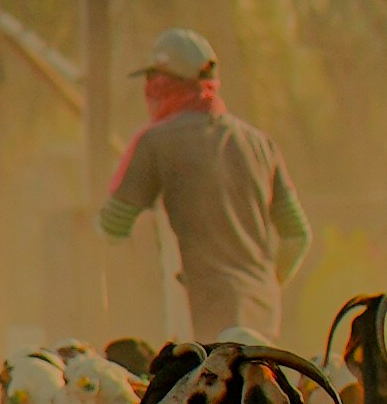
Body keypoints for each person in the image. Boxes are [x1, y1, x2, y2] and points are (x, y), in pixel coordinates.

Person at [97, 27, 310, 343]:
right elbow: (297, 236)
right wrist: (263, 284)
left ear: (163, 85)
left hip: (202, 320)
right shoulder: (260, 143)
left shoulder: (155, 142)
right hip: (262, 319)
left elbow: (113, 226)